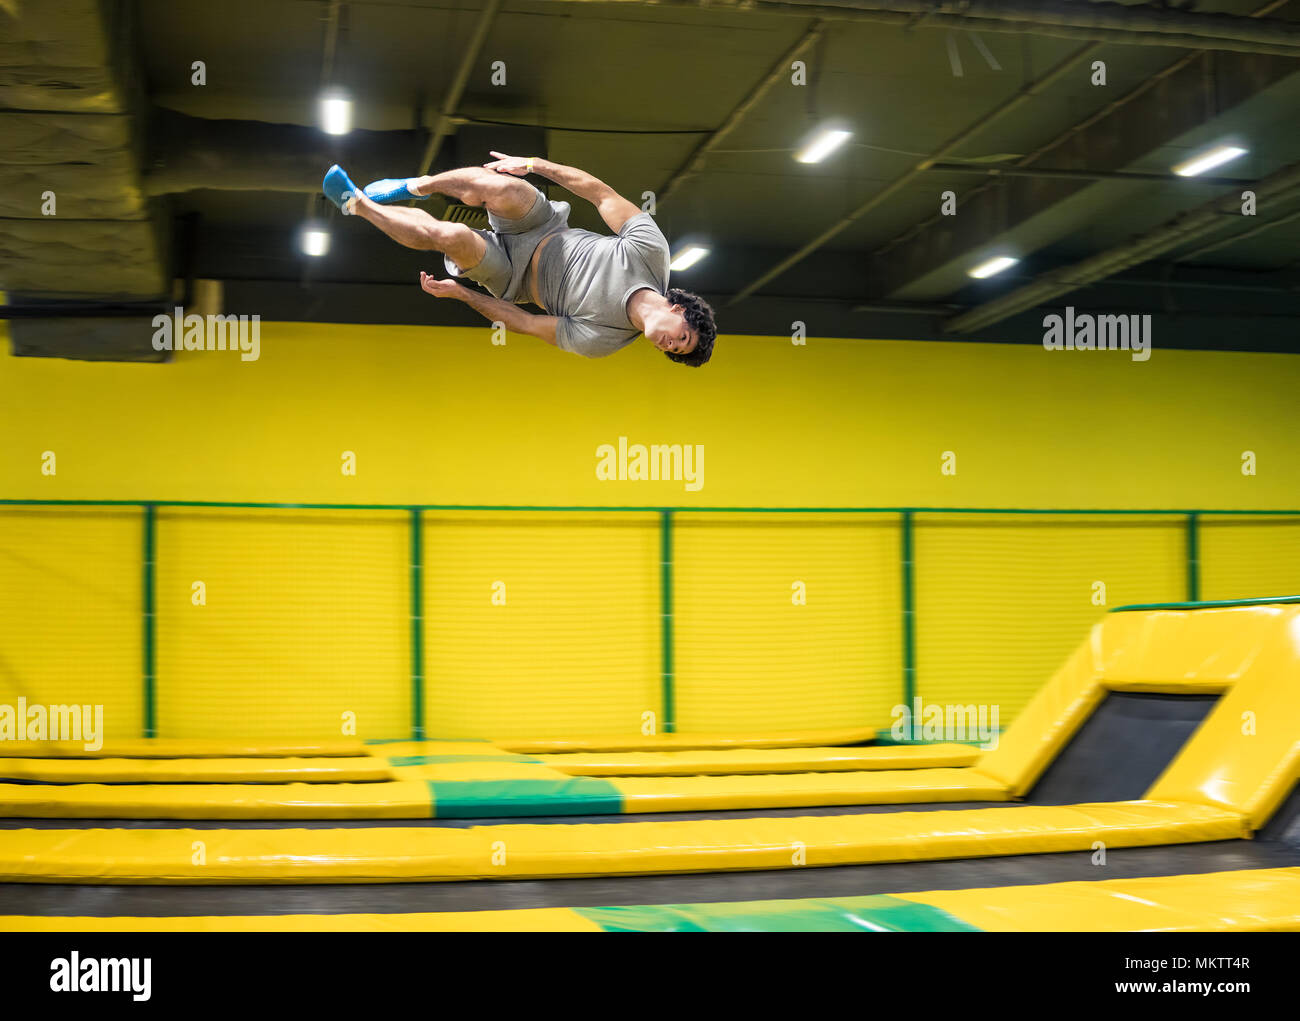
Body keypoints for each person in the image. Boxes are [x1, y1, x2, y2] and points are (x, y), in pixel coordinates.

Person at [322, 153, 716, 365]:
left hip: (512, 275)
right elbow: (600, 194)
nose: (669, 344)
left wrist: (462, 295)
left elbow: (526, 322)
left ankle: (357, 204)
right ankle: (417, 186)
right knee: (505, 186)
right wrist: (534, 165)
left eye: (674, 351)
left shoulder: (604, 340)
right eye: (681, 338)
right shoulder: (651, 253)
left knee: (449, 235)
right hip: (545, 227)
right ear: (680, 309)